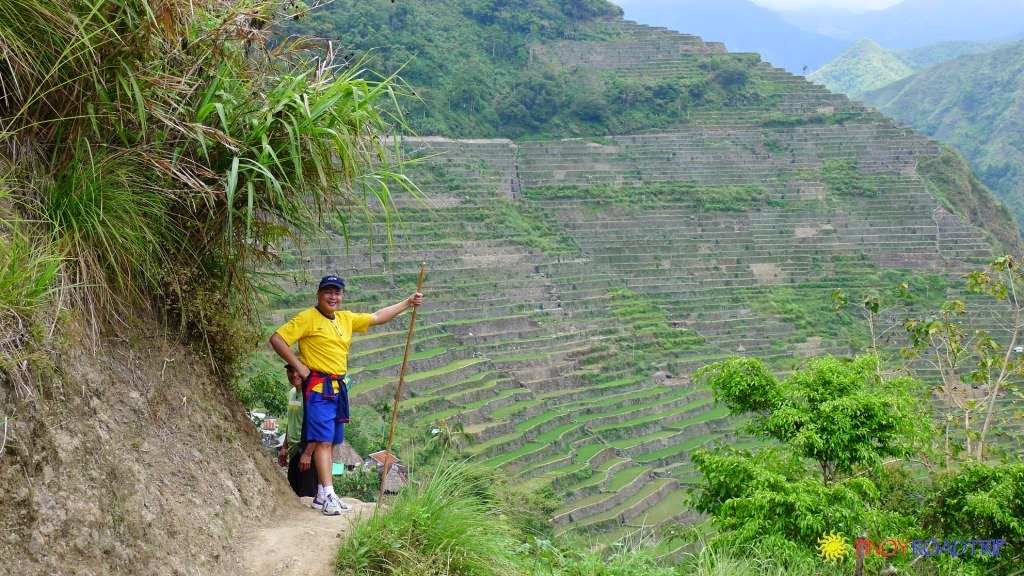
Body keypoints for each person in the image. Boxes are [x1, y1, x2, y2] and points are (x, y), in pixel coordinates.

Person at [269, 274, 423, 515]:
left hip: (338, 388)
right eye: (328, 292)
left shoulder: (345, 319)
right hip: (319, 388)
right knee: (323, 441)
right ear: (319, 294)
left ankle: (322, 494)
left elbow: (376, 317)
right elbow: (277, 339)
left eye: (337, 292)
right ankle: (330, 494)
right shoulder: (307, 318)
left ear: (341, 296)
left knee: (332, 442)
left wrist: (407, 303)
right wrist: (299, 367)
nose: (333, 297)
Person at [279, 364, 318, 498]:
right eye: (290, 371)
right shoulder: (292, 393)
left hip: (307, 453)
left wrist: (308, 453)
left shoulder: (311, 395)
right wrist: (284, 447)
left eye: (297, 370)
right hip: (294, 452)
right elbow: (291, 422)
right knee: (295, 495)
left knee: (308, 496)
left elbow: (317, 425)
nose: (294, 374)